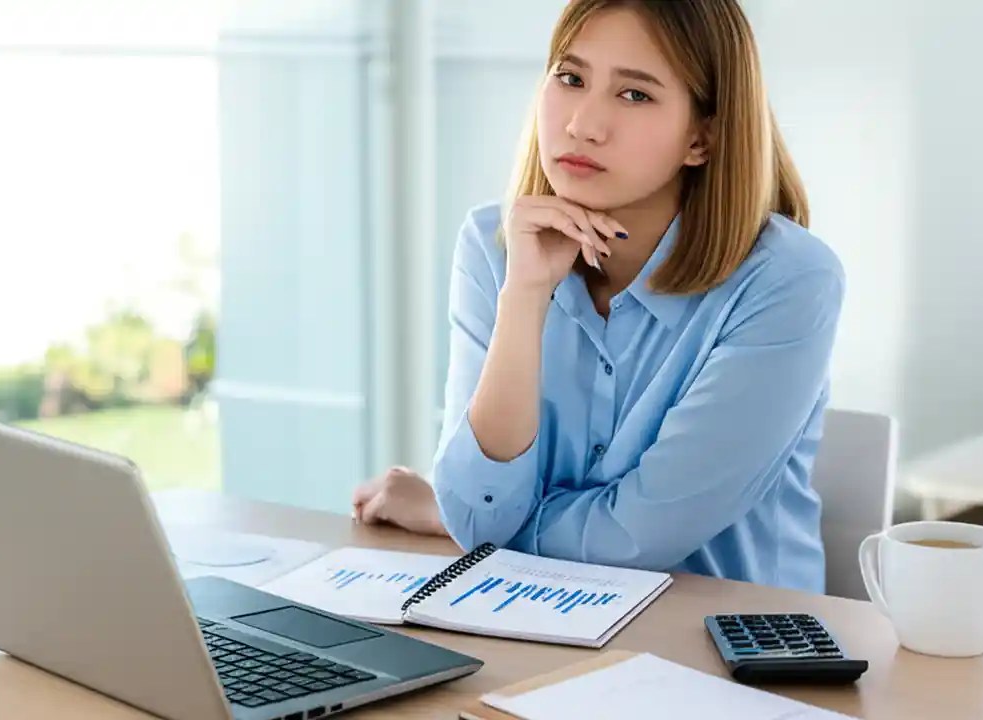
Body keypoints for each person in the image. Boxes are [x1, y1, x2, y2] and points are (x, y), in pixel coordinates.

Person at [351, 0, 842, 593]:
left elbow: (634, 539)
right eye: (570, 78)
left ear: (702, 138)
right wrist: (525, 294)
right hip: (531, 616)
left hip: (726, 635)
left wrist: (463, 521)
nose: (583, 124)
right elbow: (479, 513)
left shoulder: (787, 280)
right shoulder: (495, 245)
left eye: (634, 94)